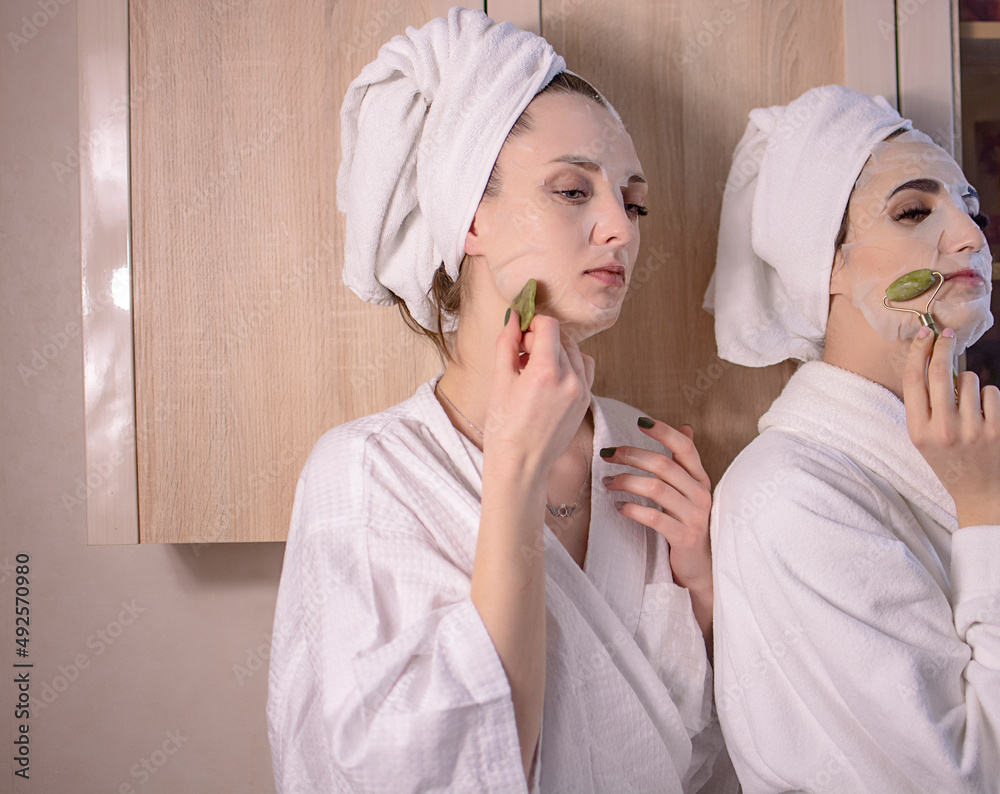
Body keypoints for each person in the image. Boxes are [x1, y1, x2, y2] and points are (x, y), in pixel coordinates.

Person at [267, 8, 736, 793]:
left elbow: (710, 744)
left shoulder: (646, 453)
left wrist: (709, 586)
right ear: (470, 215)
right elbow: (429, 770)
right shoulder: (364, 475)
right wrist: (515, 470)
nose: (620, 227)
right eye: (570, 190)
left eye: (632, 201)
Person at [705, 84, 1000, 792]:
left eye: (971, 208)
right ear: (825, 263)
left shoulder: (968, 447)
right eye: (913, 211)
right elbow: (965, 775)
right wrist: (985, 515)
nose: (970, 237)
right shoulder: (787, 500)